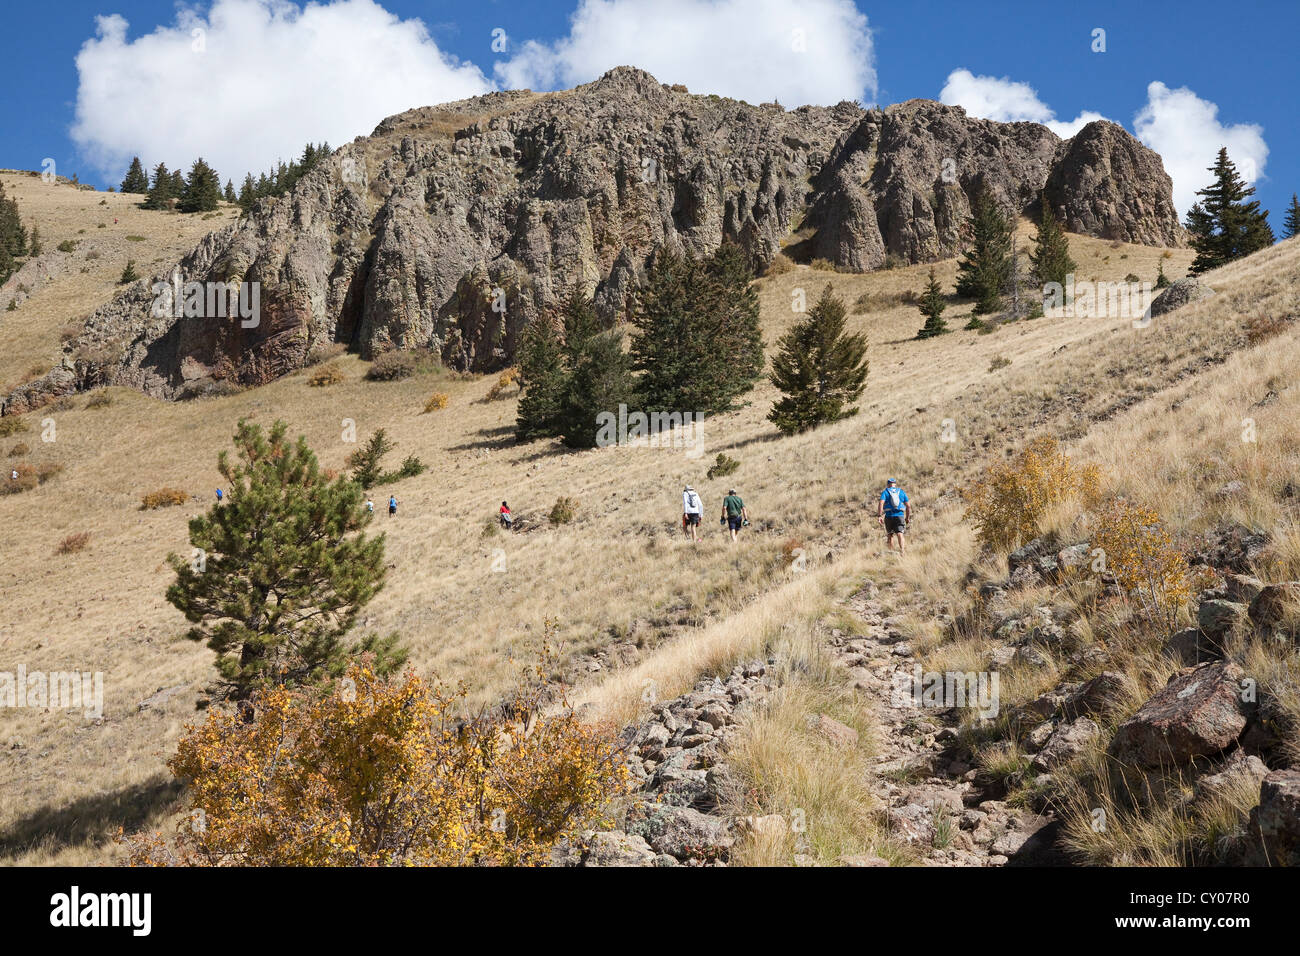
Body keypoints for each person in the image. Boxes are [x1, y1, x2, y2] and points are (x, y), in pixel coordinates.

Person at [877, 478, 911, 555]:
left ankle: (891, 553)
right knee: (900, 533)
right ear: (895, 484)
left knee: (890, 535)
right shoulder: (901, 492)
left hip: (889, 516)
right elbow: (908, 506)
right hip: (900, 515)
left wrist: (879, 515)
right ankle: (902, 550)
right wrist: (907, 517)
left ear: (888, 484)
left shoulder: (885, 492)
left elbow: (881, 503)